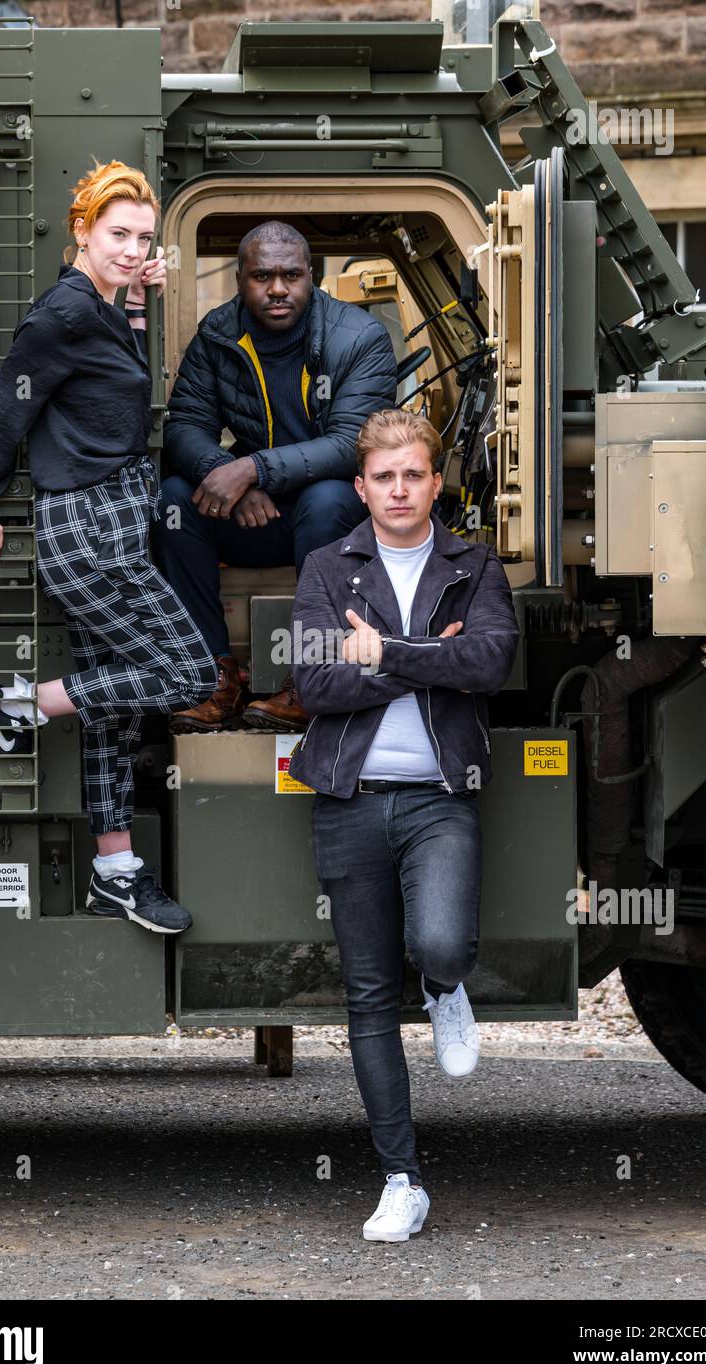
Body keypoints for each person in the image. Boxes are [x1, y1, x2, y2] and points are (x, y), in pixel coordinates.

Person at [0, 160, 218, 935]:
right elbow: (9, 405)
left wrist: (139, 295)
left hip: (115, 518)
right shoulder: (62, 313)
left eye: (143, 237)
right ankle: (16, 707)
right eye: (117, 235)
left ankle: (115, 870)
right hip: (92, 532)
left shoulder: (103, 302)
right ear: (80, 232)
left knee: (115, 705)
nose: (134, 249)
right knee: (187, 669)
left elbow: (113, 375)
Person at [288, 408, 519, 1241]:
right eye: (383, 477)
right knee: (368, 998)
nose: (398, 489)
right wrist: (424, 659)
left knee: (443, 944)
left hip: (438, 798)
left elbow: (489, 660)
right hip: (350, 798)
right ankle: (402, 1180)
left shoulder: (473, 563)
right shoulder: (326, 565)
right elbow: (313, 683)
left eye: (413, 474)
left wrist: (382, 653)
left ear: (434, 481)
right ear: (361, 486)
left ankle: (446, 987)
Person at [153, 220, 398, 733]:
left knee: (330, 498)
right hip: (257, 516)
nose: (279, 289)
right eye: (263, 276)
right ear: (240, 278)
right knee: (175, 498)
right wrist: (226, 475)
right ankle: (212, 677)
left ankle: (312, 678)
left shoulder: (358, 337)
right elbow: (183, 429)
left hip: (330, 523)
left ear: (312, 275)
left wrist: (252, 469)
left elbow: (354, 444)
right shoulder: (218, 334)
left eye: (292, 275)